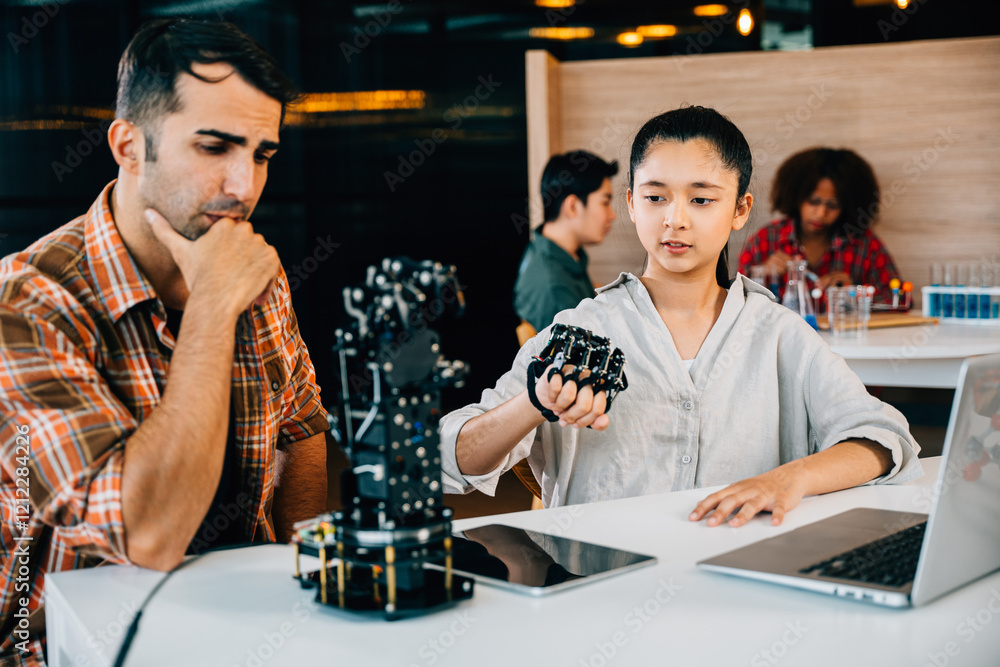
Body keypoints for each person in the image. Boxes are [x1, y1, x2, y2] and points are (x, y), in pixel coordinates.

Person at [0, 19, 329, 663]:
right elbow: (146, 533)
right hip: (64, 649)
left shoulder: (249, 270)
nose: (244, 187)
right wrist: (213, 305)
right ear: (128, 146)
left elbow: (302, 428)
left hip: (239, 633)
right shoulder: (26, 303)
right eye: (214, 147)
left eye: (261, 154)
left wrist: (306, 599)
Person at [441, 106, 921, 521]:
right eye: (655, 197)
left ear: (740, 209)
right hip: (602, 584)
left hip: (741, 578)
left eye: (701, 199)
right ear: (632, 204)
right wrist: (533, 402)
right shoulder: (582, 329)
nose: (675, 219)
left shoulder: (780, 334)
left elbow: (884, 439)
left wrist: (789, 479)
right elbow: (453, 457)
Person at [738, 147, 901, 300]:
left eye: (832, 205)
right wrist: (761, 273)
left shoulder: (864, 245)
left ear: (847, 206)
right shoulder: (764, 241)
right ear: (796, 197)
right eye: (814, 202)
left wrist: (856, 292)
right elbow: (734, 300)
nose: (821, 213)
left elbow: (899, 300)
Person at [513, 150, 618, 332]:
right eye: (605, 202)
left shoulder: (550, 249)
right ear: (573, 206)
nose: (612, 215)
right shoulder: (555, 289)